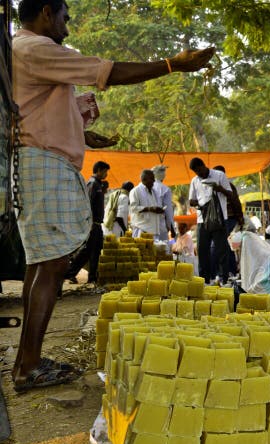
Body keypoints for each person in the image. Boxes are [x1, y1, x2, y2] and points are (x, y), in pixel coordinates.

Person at [10, 0, 214, 392]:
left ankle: (27, 360)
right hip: (44, 163)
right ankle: (28, 366)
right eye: (66, 19)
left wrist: (82, 134)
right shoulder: (35, 48)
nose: (68, 29)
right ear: (47, 13)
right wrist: (173, 64)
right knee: (50, 265)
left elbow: (38, 111)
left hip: (41, 159)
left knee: (42, 263)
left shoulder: (24, 51)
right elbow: (109, 72)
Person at [64, 160, 109, 284]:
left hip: (98, 224)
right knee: (86, 251)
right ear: (99, 170)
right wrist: (87, 224)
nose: (106, 174)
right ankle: (68, 273)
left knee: (97, 251)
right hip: (91, 224)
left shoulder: (99, 185)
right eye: (105, 171)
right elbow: (87, 205)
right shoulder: (92, 184)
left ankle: (93, 277)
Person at [188, 158, 232, 284]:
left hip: (219, 219)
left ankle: (225, 279)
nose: (199, 174)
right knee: (202, 251)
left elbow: (230, 194)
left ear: (203, 165)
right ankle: (204, 280)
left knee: (222, 251)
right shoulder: (195, 181)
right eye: (196, 172)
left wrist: (219, 189)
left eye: (200, 170)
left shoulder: (219, 175)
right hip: (203, 219)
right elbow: (191, 200)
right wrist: (198, 204)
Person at [213, 165, 244, 278]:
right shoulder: (213, 187)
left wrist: (240, 218)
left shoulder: (229, 187)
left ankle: (227, 271)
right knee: (223, 245)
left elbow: (236, 202)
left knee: (223, 245)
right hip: (219, 220)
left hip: (229, 219)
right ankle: (226, 271)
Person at [129, 169, 164, 237]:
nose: (154, 181)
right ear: (144, 179)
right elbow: (133, 208)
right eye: (152, 178)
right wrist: (149, 209)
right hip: (141, 231)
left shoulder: (154, 192)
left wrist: (159, 210)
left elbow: (154, 208)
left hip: (153, 231)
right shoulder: (135, 191)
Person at [151, 164, 174, 241]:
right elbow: (168, 211)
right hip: (160, 226)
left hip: (146, 226)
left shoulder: (143, 187)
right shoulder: (165, 189)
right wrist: (172, 228)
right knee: (162, 249)